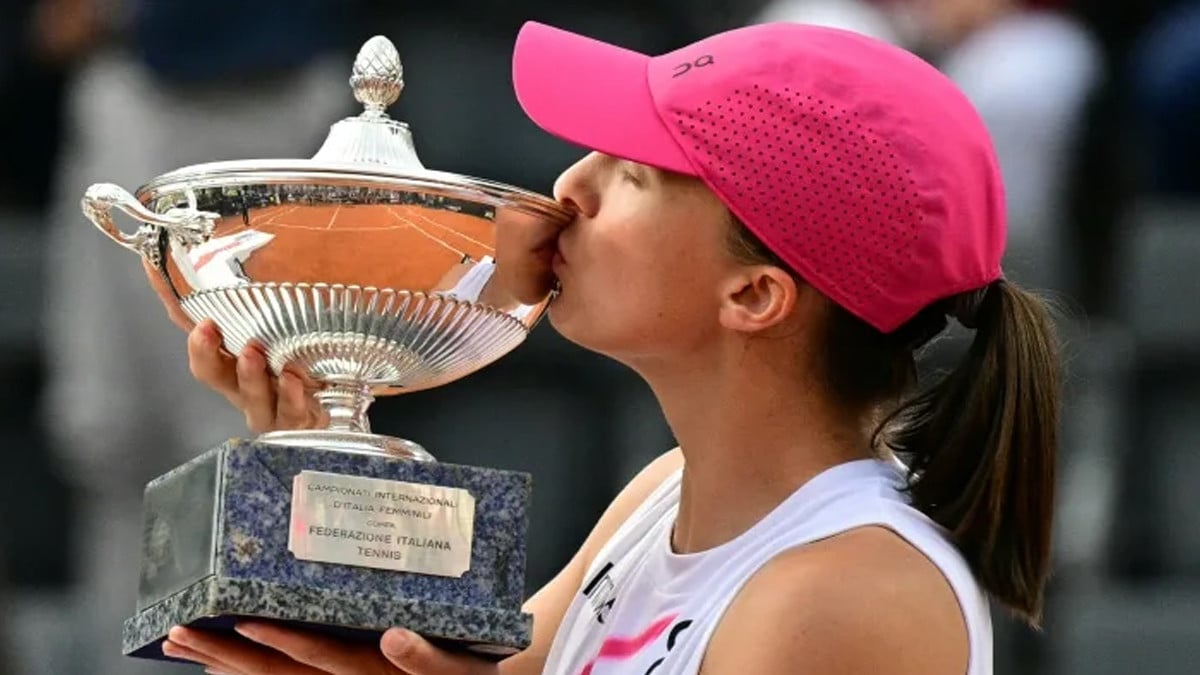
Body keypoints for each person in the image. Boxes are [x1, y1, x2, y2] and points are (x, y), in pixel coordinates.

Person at [159, 19, 1061, 675]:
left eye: (629, 172)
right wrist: (326, 456)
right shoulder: (661, 496)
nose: (569, 185)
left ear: (753, 294)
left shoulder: (844, 594)